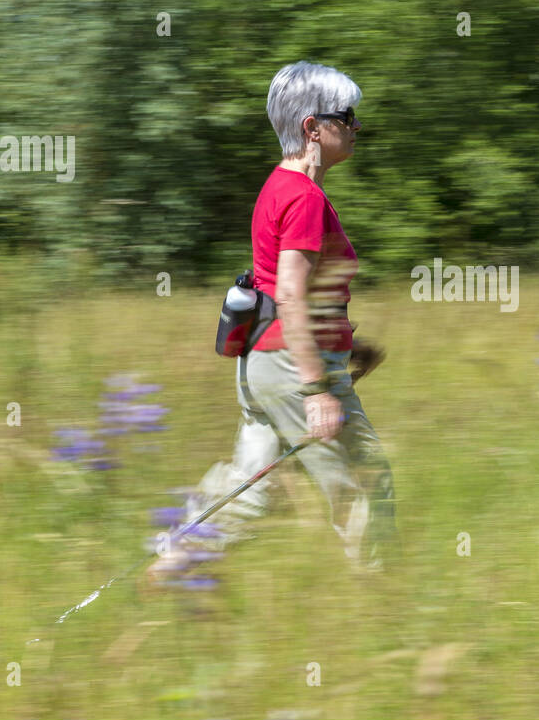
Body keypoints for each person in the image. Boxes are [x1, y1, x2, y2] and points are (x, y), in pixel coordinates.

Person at [151, 61, 398, 580]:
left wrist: (346, 349)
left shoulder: (278, 188)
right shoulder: (304, 197)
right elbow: (289, 293)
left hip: (263, 363)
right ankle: (384, 600)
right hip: (292, 369)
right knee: (364, 480)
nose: (357, 127)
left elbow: (287, 292)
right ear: (313, 127)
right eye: (347, 117)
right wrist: (317, 389)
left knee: (255, 484)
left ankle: (177, 559)